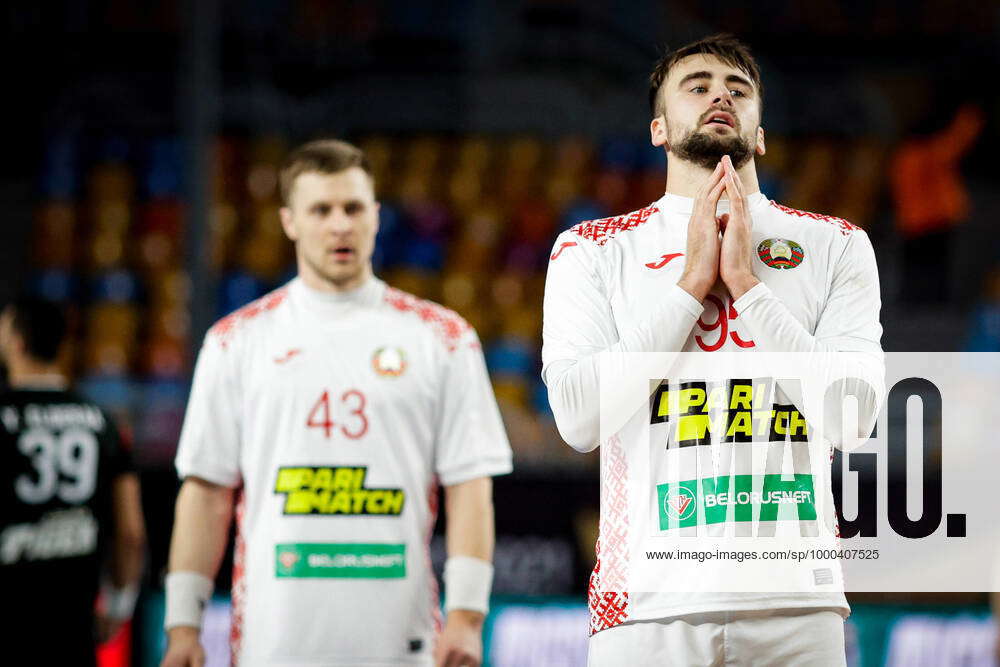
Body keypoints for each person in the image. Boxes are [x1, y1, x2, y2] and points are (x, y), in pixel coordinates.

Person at [542, 35, 884, 665]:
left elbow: (852, 418)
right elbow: (579, 420)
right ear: (659, 129)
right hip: (643, 605)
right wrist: (689, 286)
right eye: (696, 86)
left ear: (760, 136)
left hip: (798, 604)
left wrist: (749, 288)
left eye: (738, 88)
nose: (719, 95)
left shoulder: (836, 244)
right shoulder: (592, 248)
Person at [161, 139, 512, 667]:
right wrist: (182, 626)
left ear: (376, 215)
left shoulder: (442, 338)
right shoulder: (236, 340)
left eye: (353, 208)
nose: (340, 225)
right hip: (271, 643)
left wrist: (466, 617)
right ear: (289, 221)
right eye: (321, 210)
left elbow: (470, 484)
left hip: (401, 644)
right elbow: (206, 491)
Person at [0, 297, 146, 667]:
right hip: (73, 629)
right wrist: (118, 606)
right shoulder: (102, 422)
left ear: (17, 341)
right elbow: (131, 533)